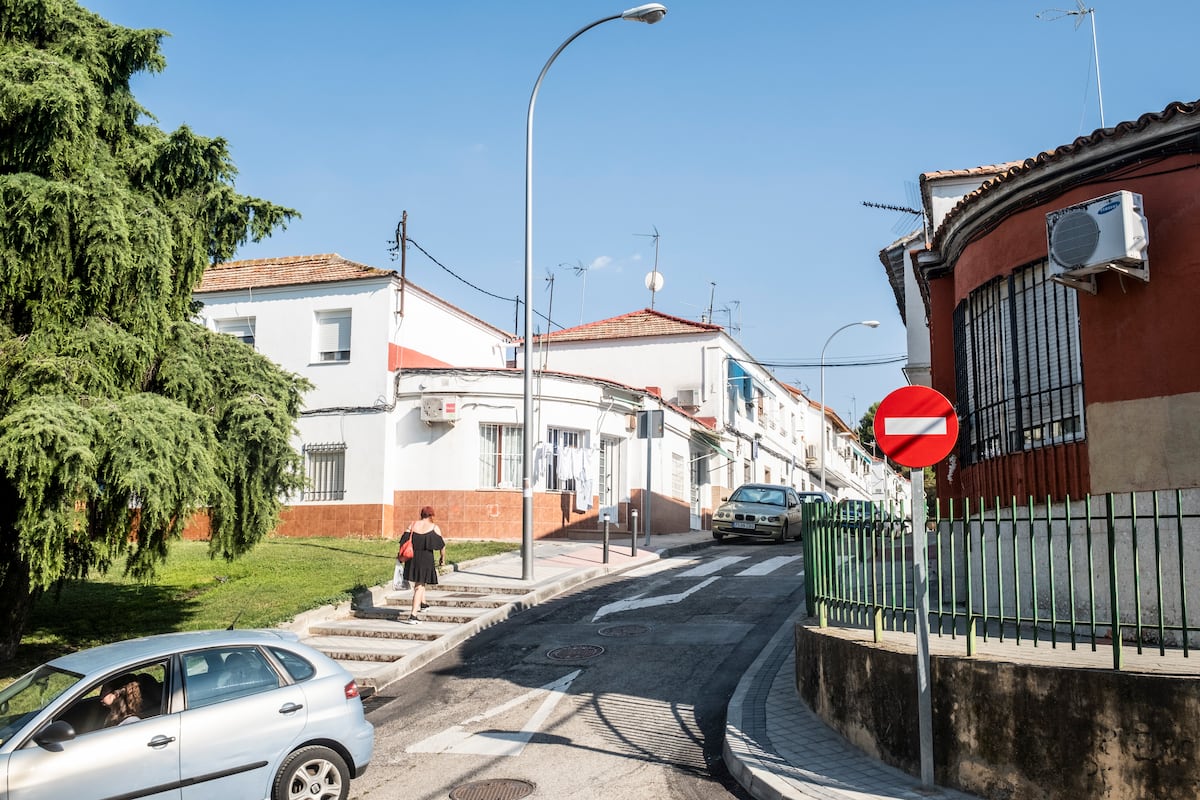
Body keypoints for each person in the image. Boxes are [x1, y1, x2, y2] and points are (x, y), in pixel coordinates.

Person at [398, 505, 445, 624]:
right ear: (431, 516)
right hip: (426, 559)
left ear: (421, 514)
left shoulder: (412, 525)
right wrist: (442, 558)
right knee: (419, 586)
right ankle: (413, 615)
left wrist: (401, 555)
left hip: (412, 558)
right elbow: (441, 545)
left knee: (420, 582)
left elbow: (403, 541)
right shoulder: (434, 527)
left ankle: (423, 604)